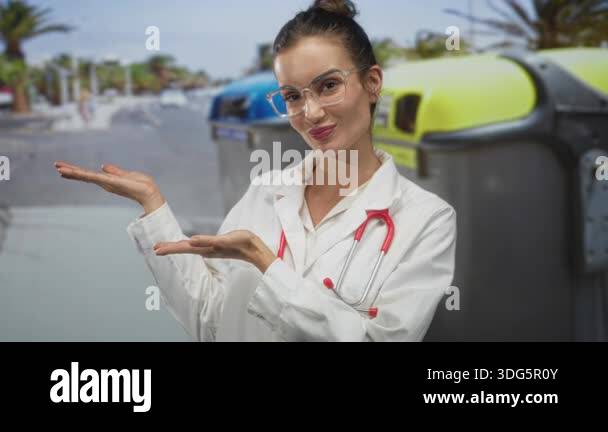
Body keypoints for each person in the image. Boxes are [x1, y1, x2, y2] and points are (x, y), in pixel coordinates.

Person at [53, 0, 457, 342]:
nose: (311, 112)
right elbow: (210, 319)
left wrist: (265, 263)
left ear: (372, 83)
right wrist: (153, 206)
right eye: (293, 96)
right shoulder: (266, 191)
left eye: (329, 85)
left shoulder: (427, 219)